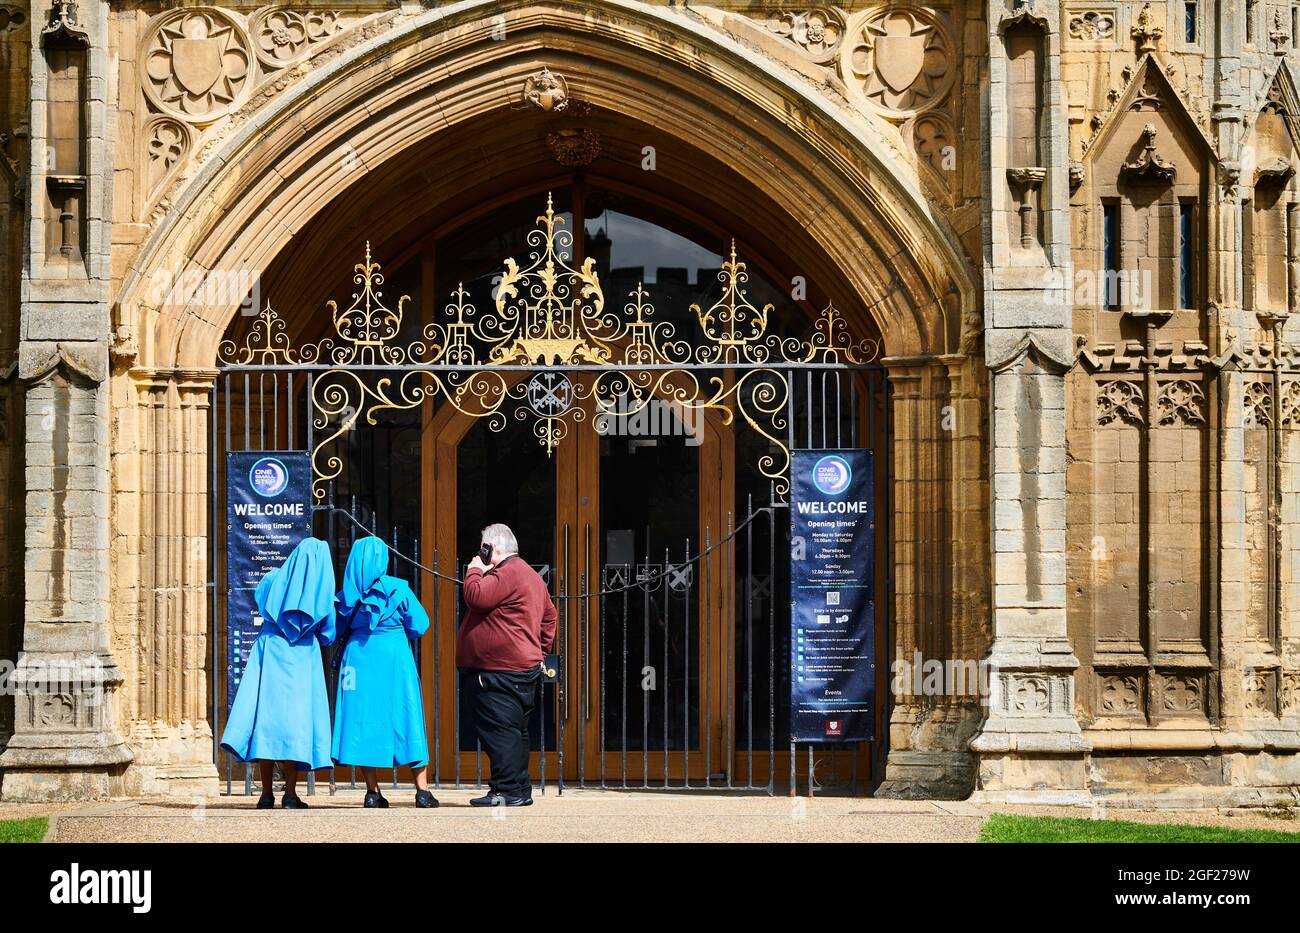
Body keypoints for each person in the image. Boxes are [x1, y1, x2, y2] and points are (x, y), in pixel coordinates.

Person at [220, 537, 337, 809]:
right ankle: (291, 794)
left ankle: (265, 794)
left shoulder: (272, 579)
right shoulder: (321, 593)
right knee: (295, 723)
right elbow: (329, 634)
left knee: (267, 721)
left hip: (270, 651)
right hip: (302, 656)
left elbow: (262, 604)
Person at [331, 536, 438, 809]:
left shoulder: (346, 596)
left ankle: (372, 791)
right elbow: (420, 624)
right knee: (407, 716)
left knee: (364, 720)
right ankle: (422, 791)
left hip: (359, 659)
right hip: (395, 659)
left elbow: (335, 631)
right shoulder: (399, 589)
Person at [456, 523, 557, 806]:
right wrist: (540, 649)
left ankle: (507, 790)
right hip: (520, 667)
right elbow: (550, 616)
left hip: (498, 670)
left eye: (483, 548)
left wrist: (474, 569)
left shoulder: (509, 573)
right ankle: (517, 788)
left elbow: (476, 596)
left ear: (493, 548)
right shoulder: (530, 576)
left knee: (500, 730)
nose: (481, 553)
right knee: (514, 730)